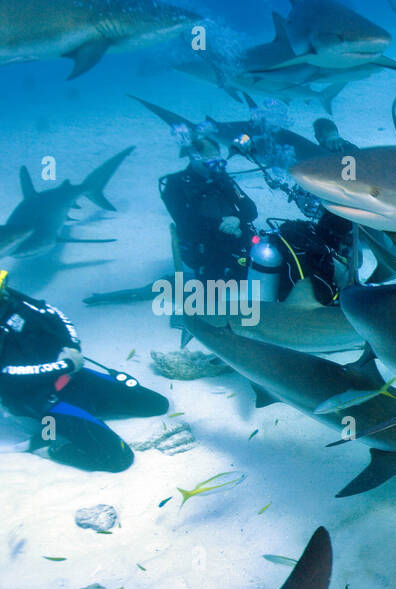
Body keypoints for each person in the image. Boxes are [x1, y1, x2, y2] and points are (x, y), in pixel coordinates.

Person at [0, 272, 168, 472]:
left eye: (3, 285)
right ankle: (46, 444)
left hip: (73, 376)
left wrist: (72, 346)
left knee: (156, 404)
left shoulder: (11, 298)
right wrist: (66, 365)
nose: (5, 292)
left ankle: (86, 414)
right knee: (118, 459)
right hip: (42, 398)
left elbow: (54, 314)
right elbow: (8, 373)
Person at [159, 135, 258, 284]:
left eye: (216, 154)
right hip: (203, 247)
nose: (214, 160)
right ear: (194, 157)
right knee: (212, 288)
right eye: (208, 156)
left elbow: (250, 209)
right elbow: (186, 224)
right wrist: (225, 226)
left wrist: (238, 219)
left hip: (236, 239)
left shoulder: (221, 178)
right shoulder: (175, 184)